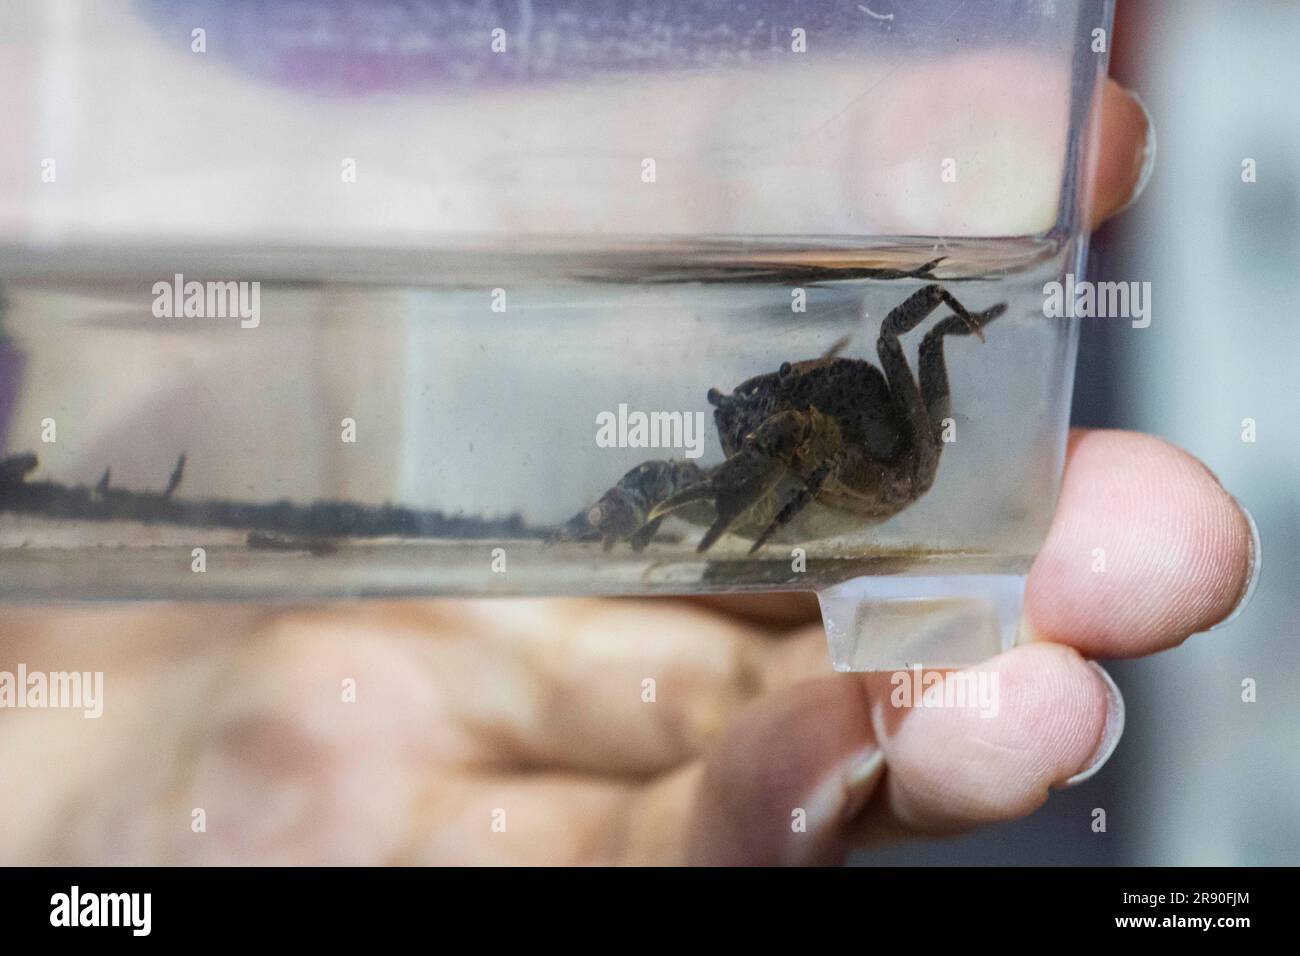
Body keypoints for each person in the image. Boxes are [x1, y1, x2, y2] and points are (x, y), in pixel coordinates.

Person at [0, 81, 1256, 866]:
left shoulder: (818, 433)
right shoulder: (766, 427)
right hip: (869, 480)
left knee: (867, 406)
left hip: (893, 469)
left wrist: (754, 503)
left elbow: (906, 325)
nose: (736, 419)